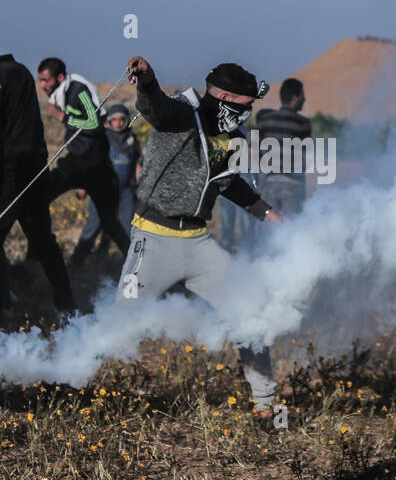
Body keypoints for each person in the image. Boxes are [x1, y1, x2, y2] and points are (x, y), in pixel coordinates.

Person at [119, 56, 283, 416]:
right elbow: (155, 108)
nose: (249, 110)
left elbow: (230, 184)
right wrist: (147, 80)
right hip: (152, 239)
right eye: (245, 104)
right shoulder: (180, 112)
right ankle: (63, 380)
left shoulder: (232, 136)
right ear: (224, 96)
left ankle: (266, 406)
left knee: (250, 309)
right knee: (116, 325)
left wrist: (267, 213)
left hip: (198, 243)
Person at [0, 28, 75, 325]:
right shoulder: (18, 71)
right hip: (34, 167)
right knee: (43, 241)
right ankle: (68, 306)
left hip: (9, 171)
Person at [34, 59, 130, 263]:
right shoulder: (60, 94)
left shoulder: (79, 90)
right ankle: (36, 259)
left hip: (95, 165)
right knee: (39, 202)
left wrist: (62, 117)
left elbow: (95, 123)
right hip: (75, 162)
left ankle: (136, 263)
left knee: (109, 223)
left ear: (60, 78)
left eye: (45, 80)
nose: (42, 85)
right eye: (40, 81)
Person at [70, 103, 142, 265]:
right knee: (93, 226)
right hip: (101, 191)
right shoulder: (101, 138)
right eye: (114, 120)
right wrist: (83, 187)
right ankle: (75, 264)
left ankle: (132, 267)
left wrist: (140, 186)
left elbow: (138, 162)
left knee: (127, 228)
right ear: (108, 121)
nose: (118, 123)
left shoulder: (131, 139)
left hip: (125, 192)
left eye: (121, 119)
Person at [255, 77, 311, 216]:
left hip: (269, 183)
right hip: (293, 184)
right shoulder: (303, 123)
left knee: (269, 227)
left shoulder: (266, 120)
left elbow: (254, 149)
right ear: (295, 98)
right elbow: (306, 154)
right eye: (302, 96)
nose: (304, 99)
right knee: (290, 230)